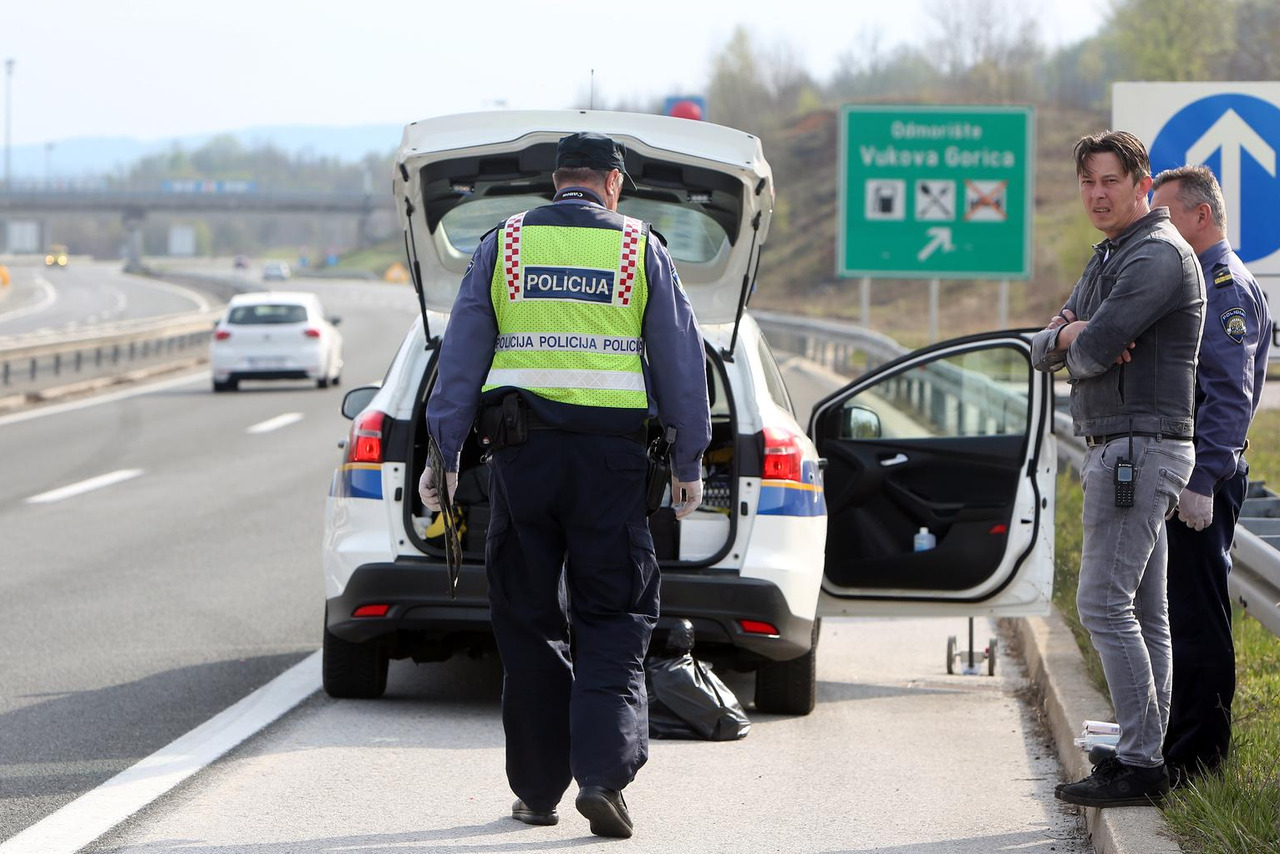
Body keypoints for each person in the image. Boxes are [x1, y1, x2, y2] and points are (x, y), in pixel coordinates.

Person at [419, 131, 711, 839]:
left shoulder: (504, 246)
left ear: (558, 182)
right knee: (613, 618)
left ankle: (537, 792)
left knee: (528, 621)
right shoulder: (641, 249)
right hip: (613, 468)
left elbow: (459, 360)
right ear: (614, 185)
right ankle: (605, 777)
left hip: (523, 461)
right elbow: (681, 365)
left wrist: (443, 457)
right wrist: (689, 463)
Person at [1032, 130, 1205, 808]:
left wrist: (1079, 334)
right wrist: (1069, 333)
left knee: (1102, 604)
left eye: (1111, 180)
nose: (1097, 194)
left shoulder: (1157, 255)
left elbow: (1095, 346)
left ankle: (1139, 762)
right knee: (1142, 612)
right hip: (1125, 443)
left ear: (1142, 182)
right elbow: (1054, 344)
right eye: (1088, 182)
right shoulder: (1112, 254)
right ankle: (1141, 752)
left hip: (1141, 448)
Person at [1150, 165, 1271, 785]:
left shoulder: (1222, 284)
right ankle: (1180, 743)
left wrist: (1203, 481)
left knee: (1197, 619)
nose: (1157, 226)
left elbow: (1228, 396)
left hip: (1206, 475)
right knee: (1180, 613)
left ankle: (1199, 758)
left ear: (1202, 216)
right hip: (1193, 470)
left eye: (1166, 214)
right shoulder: (1196, 279)